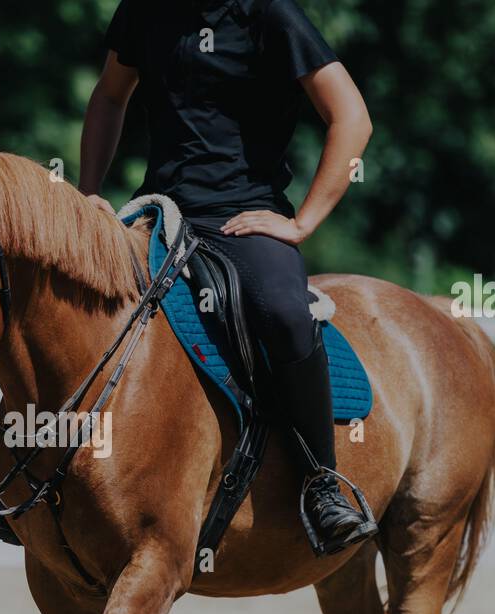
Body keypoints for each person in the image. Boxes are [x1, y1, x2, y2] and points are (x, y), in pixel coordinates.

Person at [80, 0, 378, 555]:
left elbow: (352, 116)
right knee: (70, 298)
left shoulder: (271, 15)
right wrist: (89, 193)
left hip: (244, 218)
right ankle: (35, 478)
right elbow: (109, 94)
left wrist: (302, 222)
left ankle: (322, 482)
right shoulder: (143, 11)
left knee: (284, 313)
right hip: (157, 212)